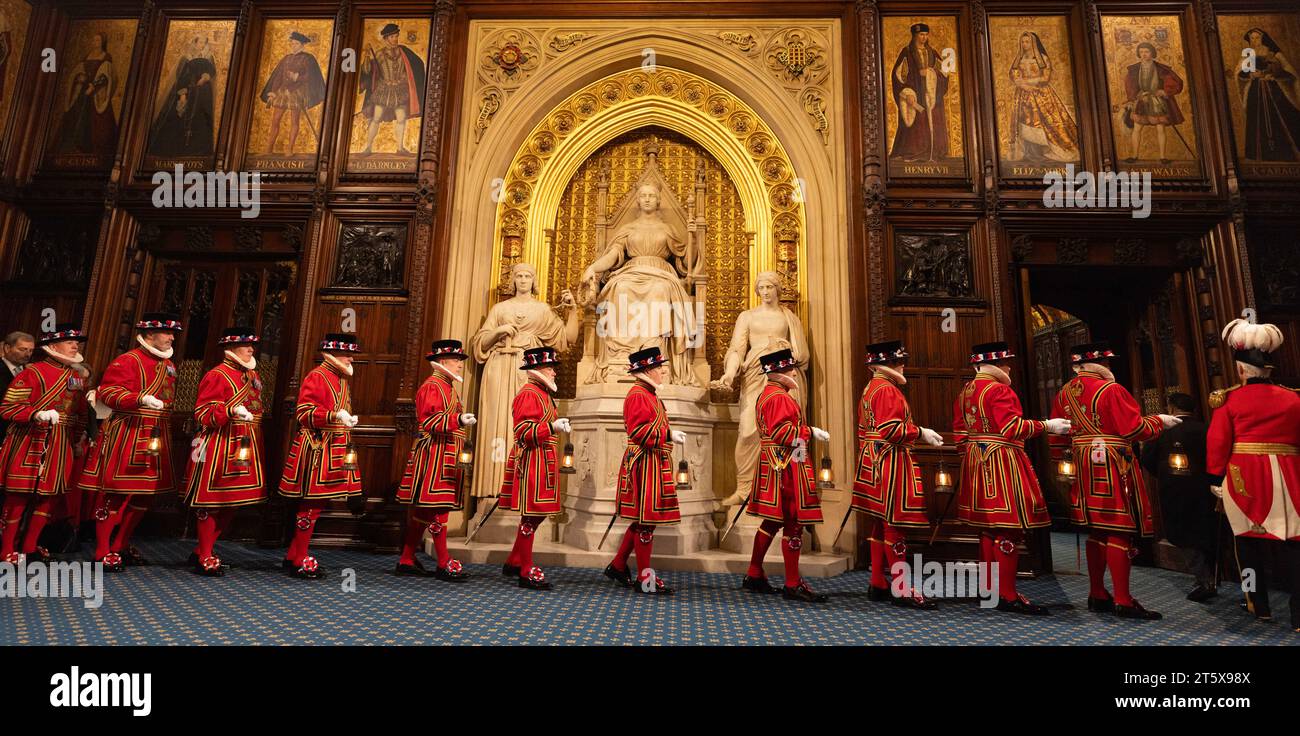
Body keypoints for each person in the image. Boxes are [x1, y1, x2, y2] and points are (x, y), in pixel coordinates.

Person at [1049, 341, 1181, 619]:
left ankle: (1097, 592)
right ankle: (1123, 598)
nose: (1110, 367)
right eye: (1107, 362)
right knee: (1119, 529)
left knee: (1096, 530)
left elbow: (1057, 434)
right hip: (1112, 463)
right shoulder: (1111, 389)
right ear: (1098, 364)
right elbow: (1132, 428)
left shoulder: (1064, 393)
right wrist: (1160, 421)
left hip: (1083, 462)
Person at [952, 342, 1071, 615]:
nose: (1008, 367)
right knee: (1008, 527)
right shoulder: (1000, 390)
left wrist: (971, 456)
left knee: (987, 527)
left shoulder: (966, 391)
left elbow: (960, 433)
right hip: (1002, 462)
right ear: (995, 365)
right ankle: (1006, 594)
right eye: (1005, 362)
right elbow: (1011, 428)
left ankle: (988, 588)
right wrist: (1046, 425)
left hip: (976, 461)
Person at [1206, 319, 1299, 632]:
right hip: (1290, 476)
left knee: (1248, 544)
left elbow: (1219, 442)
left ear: (1241, 370)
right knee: (1294, 546)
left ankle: (1259, 606)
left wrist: (1215, 478)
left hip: (1244, 476)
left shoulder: (1228, 400)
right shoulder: (1294, 398)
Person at [80, 312, 181, 572]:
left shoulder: (169, 365)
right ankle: (103, 549)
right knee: (115, 494)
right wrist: (139, 399)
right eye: (166, 333)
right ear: (148, 335)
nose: (171, 338)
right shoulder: (127, 360)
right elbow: (109, 392)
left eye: (172, 333)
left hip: (155, 433)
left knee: (145, 496)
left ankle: (121, 544)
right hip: (128, 431)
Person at [851, 340, 944, 609]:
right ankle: (902, 588)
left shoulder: (872, 387)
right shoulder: (887, 390)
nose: (903, 364)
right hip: (889, 462)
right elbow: (891, 430)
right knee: (895, 525)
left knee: (880, 523)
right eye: (898, 361)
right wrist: (920, 432)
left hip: (873, 461)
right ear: (889, 364)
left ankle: (878, 582)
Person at [740, 348, 829, 603]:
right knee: (793, 522)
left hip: (778, 463)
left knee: (772, 521)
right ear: (779, 372)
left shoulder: (769, 394)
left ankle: (754, 572)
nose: (793, 372)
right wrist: (809, 431)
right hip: (785, 466)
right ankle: (792, 583)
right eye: (790, 368)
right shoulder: (779, 397)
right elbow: (783, 434)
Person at [0, 324, 91, 562]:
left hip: (60, 444)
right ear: (52, 346)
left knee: (48, 498)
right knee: (18, 497)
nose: (75, 346)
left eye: (77, 342)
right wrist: (35, 413)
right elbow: (8, 407)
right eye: (69, 342)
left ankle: (30, 547)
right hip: (29, 439)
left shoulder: (75, 377)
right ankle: (7, 548)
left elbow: (81, 413)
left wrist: (75, 438)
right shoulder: (32, 372)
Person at [181, 327, 266, 577]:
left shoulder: (252, 375)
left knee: (234, 502)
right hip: (219, 443)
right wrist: (229, 411)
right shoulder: (217, 374)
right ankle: (205, 554)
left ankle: (203, 549)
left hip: (244, 444)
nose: (251, 349)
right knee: (213, 501)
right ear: (231, 348)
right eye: (246, 345)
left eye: (252, 345)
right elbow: (202, 414)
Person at [278, 333, 363, 579]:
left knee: (318, 504)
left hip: (336, 446)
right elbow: (304, 412)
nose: (351, 359)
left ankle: (294, 554)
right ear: (333, 354)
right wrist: (334, 416)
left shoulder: (341, 380)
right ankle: (299, 558)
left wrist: (346, 419)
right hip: (317, 447)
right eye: (347, 354)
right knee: (311, 505)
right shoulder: (317, 376)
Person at [604, 346, 682, 594]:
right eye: (659, 367)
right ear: (647, 369)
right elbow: (638, 433)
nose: (663, 371)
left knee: (643, 521)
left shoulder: (650, 394)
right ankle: (644, 578)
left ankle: (618, 565)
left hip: (653, 463)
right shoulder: (638, 395)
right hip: (644, 465)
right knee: (646, 522)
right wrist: (668, 434)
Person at [394, 339, 474, 582]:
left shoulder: (447, 386)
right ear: (442, 362)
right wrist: (458, 421)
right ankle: (443, 562)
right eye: (456, 360)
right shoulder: (433, 386)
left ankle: (407, 558)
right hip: (435, 454)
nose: (460, 364)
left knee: (425, 510)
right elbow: (428, 422)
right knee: (438, 509)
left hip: (445, 453)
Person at [500, 346, 570, 590]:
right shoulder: (529, 393)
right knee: (531, 515)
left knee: (536, 514)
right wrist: (552, 428)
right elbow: (522, 432)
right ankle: (525, 570)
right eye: (550, 367)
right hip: (531, 459)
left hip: (542, 458)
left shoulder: (541, 393)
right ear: (537, 369)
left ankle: (514, 560)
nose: (553, 372)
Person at [1140, 392, 1218, 602]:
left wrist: (1163, 475)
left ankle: (1204, 579)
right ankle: (1211, 575)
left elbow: (1146, 458)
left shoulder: (1162, 432)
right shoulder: (1207, 428)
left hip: (1174, 489)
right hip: (1206, 488)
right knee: (1206, 529)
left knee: (1181, 533)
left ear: (1172, 409)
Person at [1007, 31, 1080, 163]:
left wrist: (1028, 82)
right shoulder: (1019, 59)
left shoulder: (1042, 58)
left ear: (1033, 43)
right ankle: (1031, 153)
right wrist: (1021, 84)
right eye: (1022, 42)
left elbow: (1045, 77)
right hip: (1023, 95)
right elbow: (1013, 75)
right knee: (1026, 120)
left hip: (1041, 94)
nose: (1024, 44)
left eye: (1027, 41)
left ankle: (1049, 150)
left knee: (1047, 121)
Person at [359, 23, 426, 155]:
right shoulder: (379, 54)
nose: (395, 39)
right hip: (383, 90)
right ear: (386, 38)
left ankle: (400, 148)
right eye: (392, 37)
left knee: (401, 118)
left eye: (396, 36)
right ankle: (368, 147)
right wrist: (367, 56)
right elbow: (367, 71)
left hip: (400, 89)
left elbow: (416, 64)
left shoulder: (403, 52)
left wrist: (406, 78)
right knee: (376, 117)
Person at [889, 23, 950, 162]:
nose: (924, 37)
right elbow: (897, 75)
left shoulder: (932, 52)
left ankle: (934, 152)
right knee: (917, 123)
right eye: (921, 34)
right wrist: (906, 92)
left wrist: (930, 73)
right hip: (915, 92)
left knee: (933, 120)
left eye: (926, 34)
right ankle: (915, 152)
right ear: (915, 35)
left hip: (931, 94)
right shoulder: (907, 52)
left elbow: (945, 73)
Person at [258, 31, 326, 155]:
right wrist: (273, 91)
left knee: (294, 120)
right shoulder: (287, 58)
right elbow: (278, 75)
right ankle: (269, 148)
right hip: (283, 91)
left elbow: (311, 76)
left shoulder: (308, 58)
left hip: (297, 92)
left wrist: (297, 77)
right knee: (276, 119)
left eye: (296, 43)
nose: (293, 45)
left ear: (302, 45)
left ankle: (289, 148)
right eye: (292, 43)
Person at [1237, 28, 1300, 162]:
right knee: (1256, 118)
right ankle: (1257, 155)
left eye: (1257, 38)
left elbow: (1290, 72)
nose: (1254, 41)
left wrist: (1273, 75)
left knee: (1282, 115)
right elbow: (1241, 72)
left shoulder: (1273, 53)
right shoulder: (1248, 53)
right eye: (1252, 38)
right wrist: (1251, 74)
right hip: (1255, 90)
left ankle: (1286, 153)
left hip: (1274, 90)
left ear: (1263, 38)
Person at [1122, 42, 1186, 164]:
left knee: (1160, 129)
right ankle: (1135, 155)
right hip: (1141, 100)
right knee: (1137, 128)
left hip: (1157, 101)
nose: (1144, 54)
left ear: (1152, 53)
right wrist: (1133, 96)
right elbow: (1129, 84)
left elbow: (1177, 82)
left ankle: (1163, 157)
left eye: (1146, 51)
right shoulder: (1134, 69)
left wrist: (1165, 91)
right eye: (1141, 52)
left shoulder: (1161, 68)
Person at [0, 331, 36, 439]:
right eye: (22, 349)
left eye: (31, 350)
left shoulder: (31, 372)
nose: (27, 354)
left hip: (20, 435)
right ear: (7, 348)